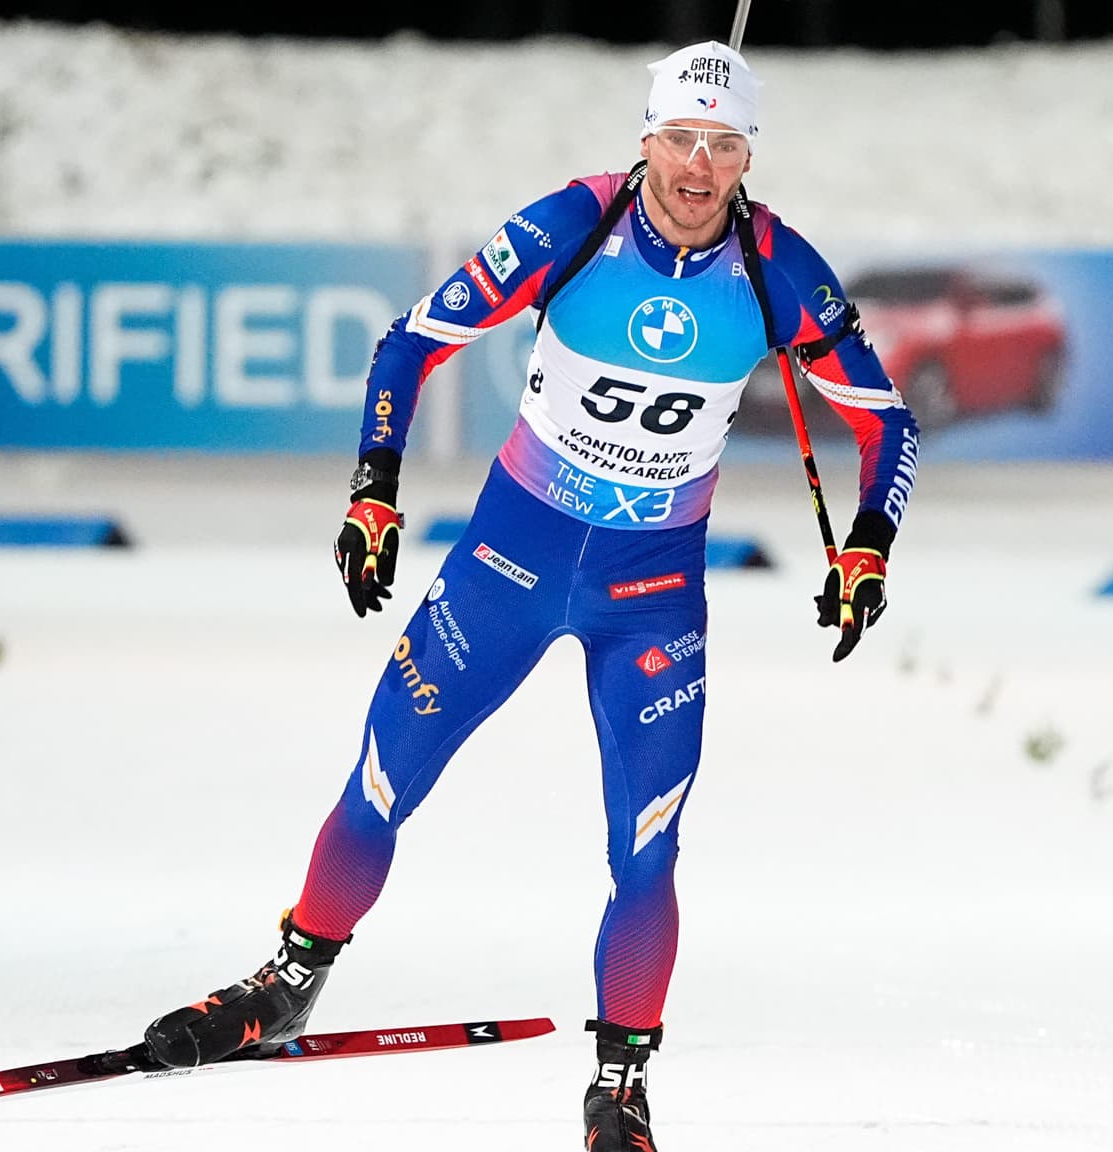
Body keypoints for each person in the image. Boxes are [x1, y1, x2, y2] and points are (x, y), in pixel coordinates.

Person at [143, 40, 920, 1152]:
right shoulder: (574, 225)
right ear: (644, 137)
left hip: (650, 594)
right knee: (381, 776)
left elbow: (884, 421)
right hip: (506, 563)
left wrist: (867, 546)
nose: (698, 168)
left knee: (647, 845)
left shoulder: (777, 269)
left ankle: (622, 1086)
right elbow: (407, 345)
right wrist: (374, 495)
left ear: (748, 155)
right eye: (679, 139)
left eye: (725, 145)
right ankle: (288, 978)